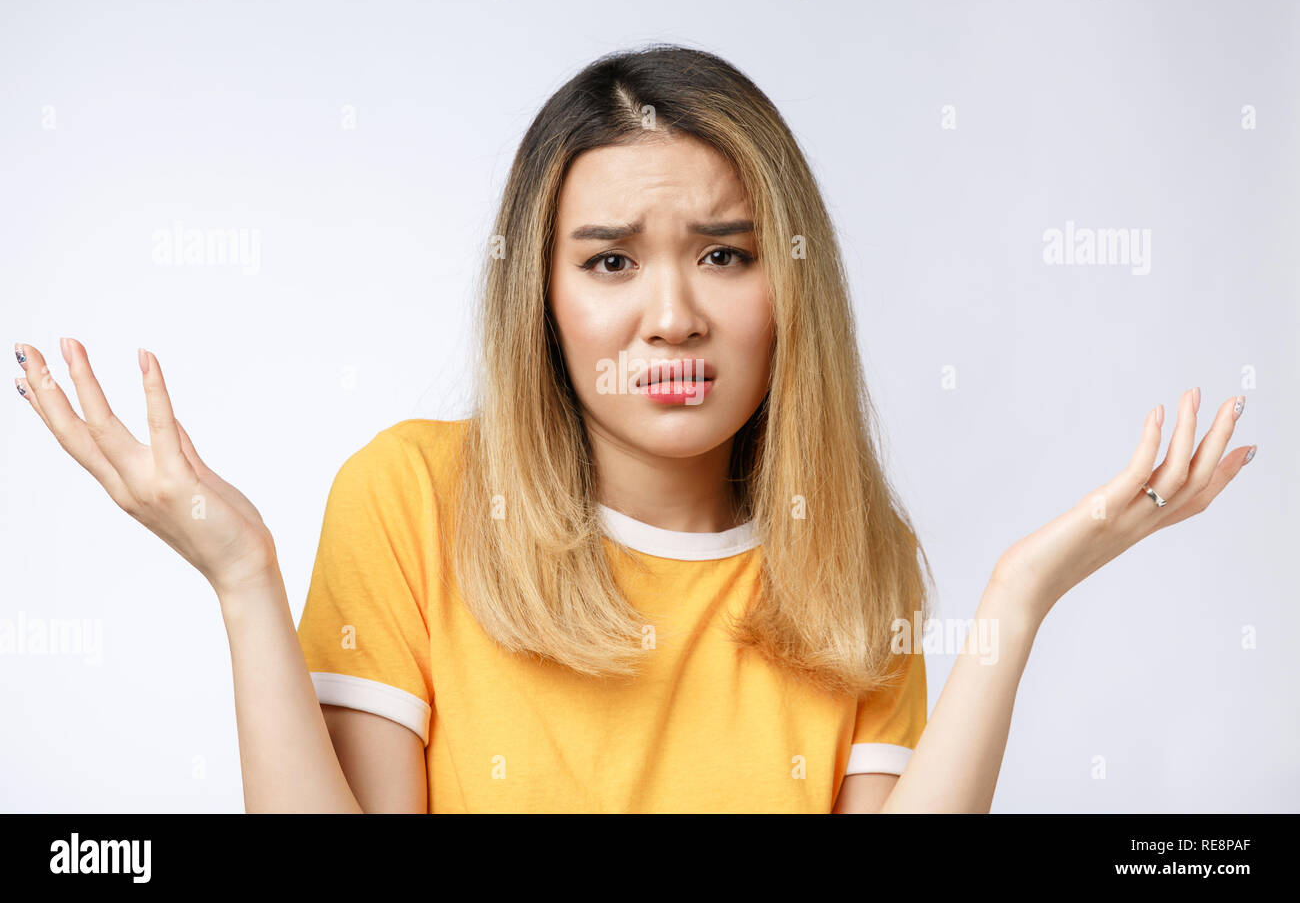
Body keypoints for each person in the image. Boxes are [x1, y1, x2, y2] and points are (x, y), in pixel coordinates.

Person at [13, 43, 1255, 813]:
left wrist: (1013, 604)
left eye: (724, 253)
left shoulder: (853, 554)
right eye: (609, 260)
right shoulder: (410, 494)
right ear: (542, 297)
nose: (672, 316)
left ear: (792, 285)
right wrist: (243, 579)